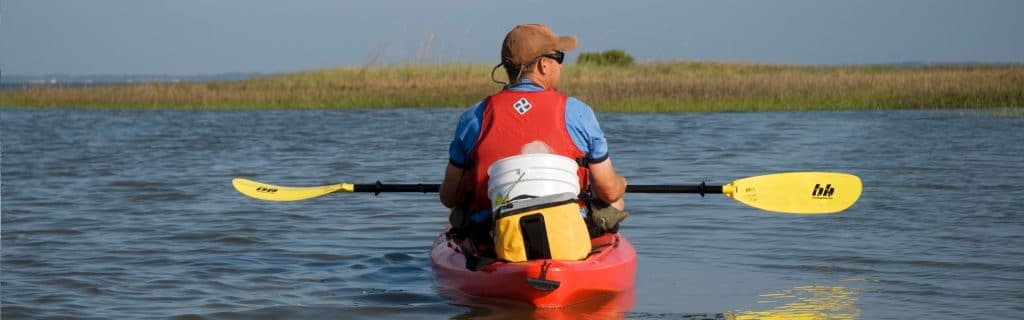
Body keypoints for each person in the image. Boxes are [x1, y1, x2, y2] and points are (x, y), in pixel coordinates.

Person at [439, 24, 628, 253]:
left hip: (495, 233)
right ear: (543, 64)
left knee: (458, 212)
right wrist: (622, 184)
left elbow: (449, 196)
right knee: (615, 200)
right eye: (559, 57)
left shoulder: (473, 117)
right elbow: (608, 190)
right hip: (564, 231)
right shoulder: (579, 112)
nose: (561, 65)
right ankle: (589, 255)